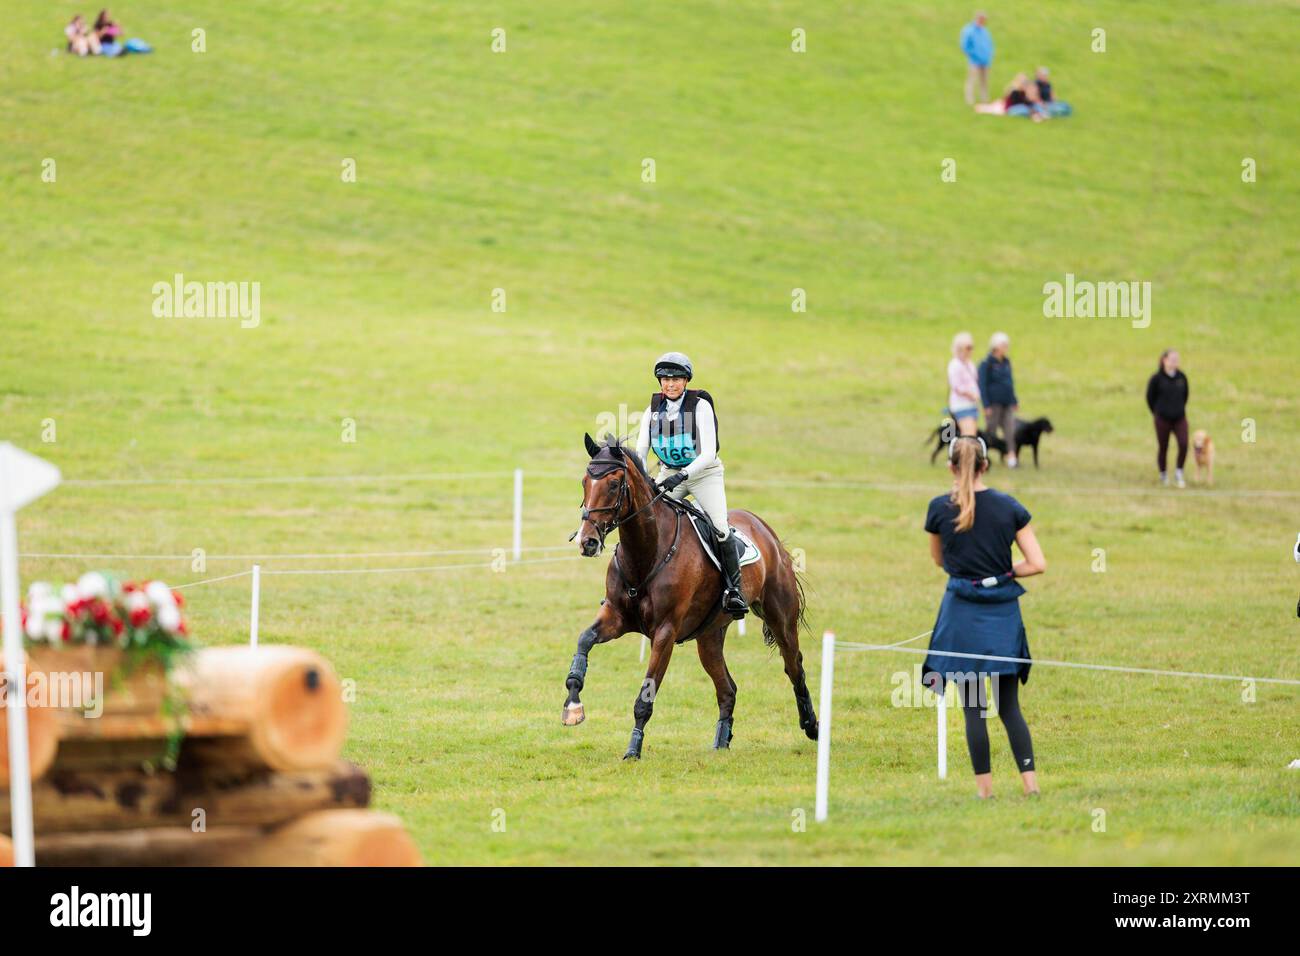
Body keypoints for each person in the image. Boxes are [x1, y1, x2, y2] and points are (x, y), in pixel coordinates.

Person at [923, 436, 1046, 799]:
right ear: (985, 465)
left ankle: (985, 793)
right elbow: (1037, 563)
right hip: (1002, 615)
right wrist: (1004, 573)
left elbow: (939, 560)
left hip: (961, 614)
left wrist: (970, 570)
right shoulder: (1010, 507)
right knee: (1009, 708)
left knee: (973, 709)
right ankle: (1032, 787)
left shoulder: (938, 508)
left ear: (950, 468)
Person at [634, 352, 747, 617]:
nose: (670, 384)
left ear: (686, 381)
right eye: (665, 379)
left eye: (676, 379)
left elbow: (708, 453)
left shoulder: (700, 407)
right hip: (669, 473)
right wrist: (642, 477)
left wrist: (683, 475)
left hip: (704, 475)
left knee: (719, 527)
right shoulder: (652, 411)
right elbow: (641, 450)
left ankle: (735, 590)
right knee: (643, 517)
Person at [1146, 348, 1190, 488]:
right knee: (1163, 446)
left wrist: (1178, 409)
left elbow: (1185, 396)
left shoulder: (1182, 378)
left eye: (1177, 360)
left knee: (1183, 444)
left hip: (1179, 417)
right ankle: (1163, 474)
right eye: (1172, 359)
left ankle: (1179, 472)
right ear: (1164, 360)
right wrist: (1157, 412)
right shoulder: (1156, 379)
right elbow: (1150, 397)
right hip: (1162, 418)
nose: (1174, 362)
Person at [978, 332, 1019, 468]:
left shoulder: (1006, 362)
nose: (1006, 347)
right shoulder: (986, 364)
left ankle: (1012, 457)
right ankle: (983, 456)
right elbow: (982, 385)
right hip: (993, 403)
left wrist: (1014, 400)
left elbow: (1009, 382)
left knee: (1009, 429)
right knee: (991, 431)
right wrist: (986, 404)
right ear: (995, 346)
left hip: (1006, 401)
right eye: (1004, 345)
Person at [947, 332, 981, 437]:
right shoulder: (955, 365)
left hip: (972, 405)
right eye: (968, 348)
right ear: (960, 348)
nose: (970, 350)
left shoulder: (969, 364)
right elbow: (957, 386)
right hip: (961, 406)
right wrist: (971, 394)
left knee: (972, 437)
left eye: (971, 347)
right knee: (968, 437)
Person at [960, 12, 993, 106]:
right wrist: (973, 54)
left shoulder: (985, 31)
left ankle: (984, 99)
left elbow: (989, 44)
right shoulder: (969, 30)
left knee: (984, 81)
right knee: (972, 80)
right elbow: (965, 45)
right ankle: (970, 100)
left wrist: (989, 55)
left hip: (985, 61)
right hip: (974, 60)